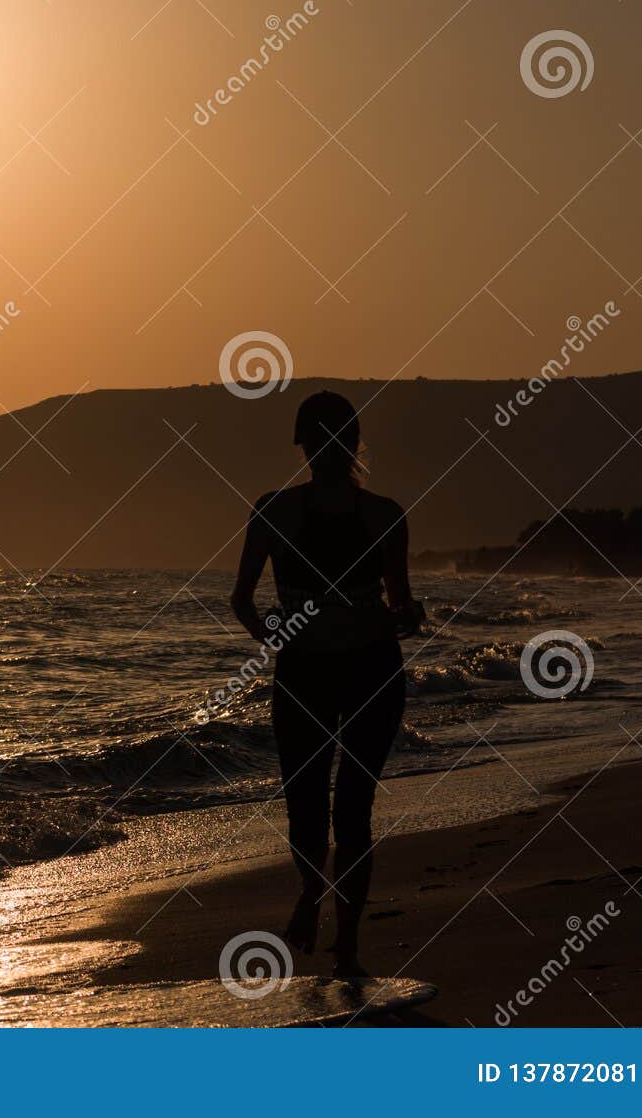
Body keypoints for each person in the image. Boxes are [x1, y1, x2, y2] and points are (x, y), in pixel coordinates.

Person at [229, 390, 423, 979]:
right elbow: (243, 602)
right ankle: (323, 913)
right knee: (319, 809)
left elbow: (245, 604)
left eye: (323, 442)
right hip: (334, 673)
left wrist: (276, 630)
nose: (324, 452)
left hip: (356, 674)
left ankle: (344, 938)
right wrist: (273, 630)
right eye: (322, 443)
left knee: (338, 810)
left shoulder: (376, 516)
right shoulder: (292, 513)